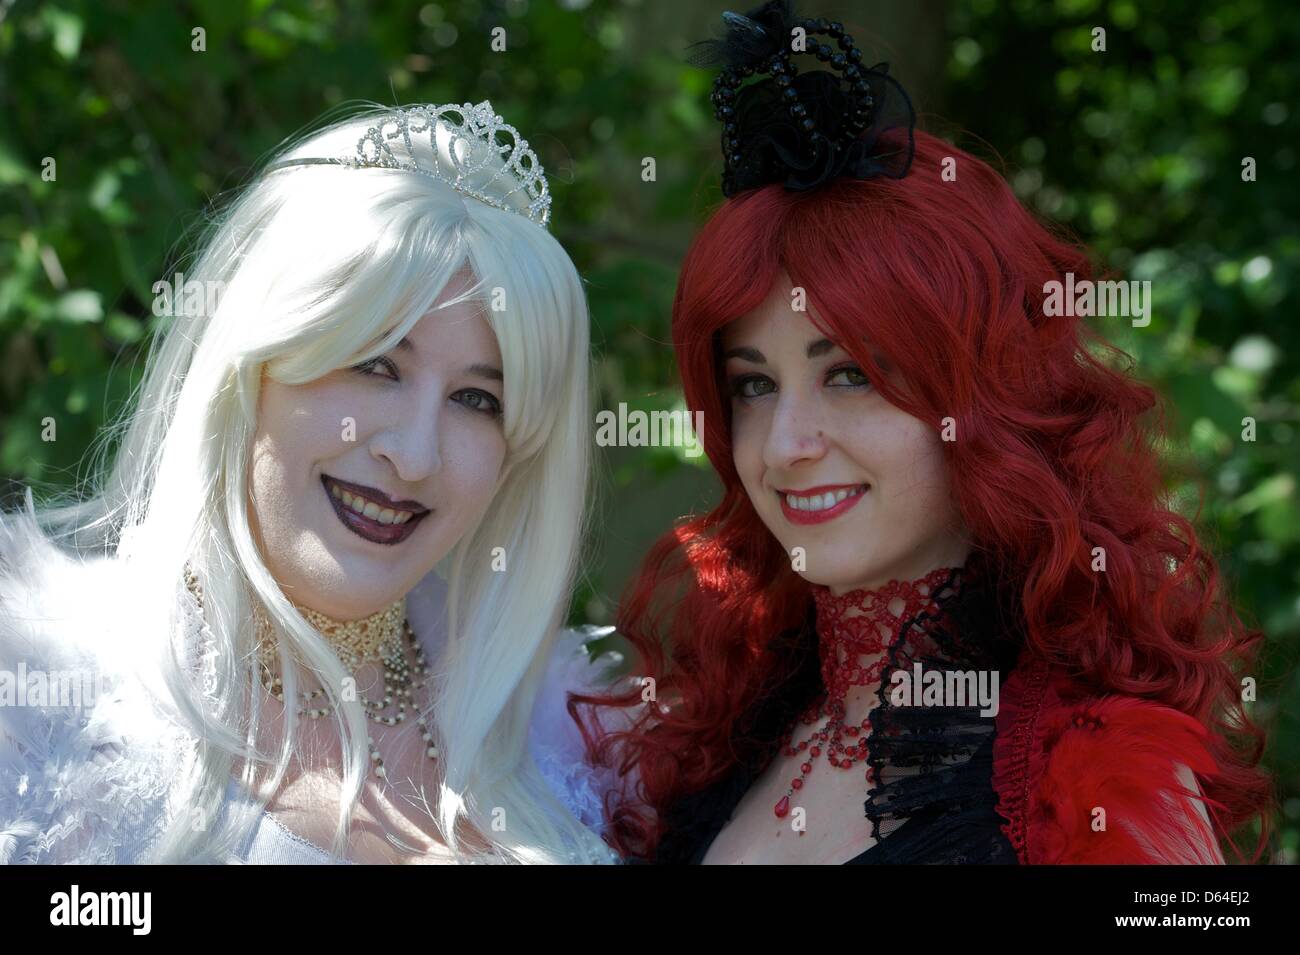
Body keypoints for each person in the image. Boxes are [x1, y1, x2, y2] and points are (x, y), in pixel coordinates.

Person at [573, 1, 1275, 864]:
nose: (786, 443)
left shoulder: (1095, 780)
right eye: (753, 384)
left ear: (982, 395)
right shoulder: (711, 740)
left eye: (850, 375)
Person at [0, 100, 621, 864]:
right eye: (375, 365)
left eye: (475, 399)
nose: (414, 455)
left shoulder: (563, 746)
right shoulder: (40, 696)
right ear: (250, 366)